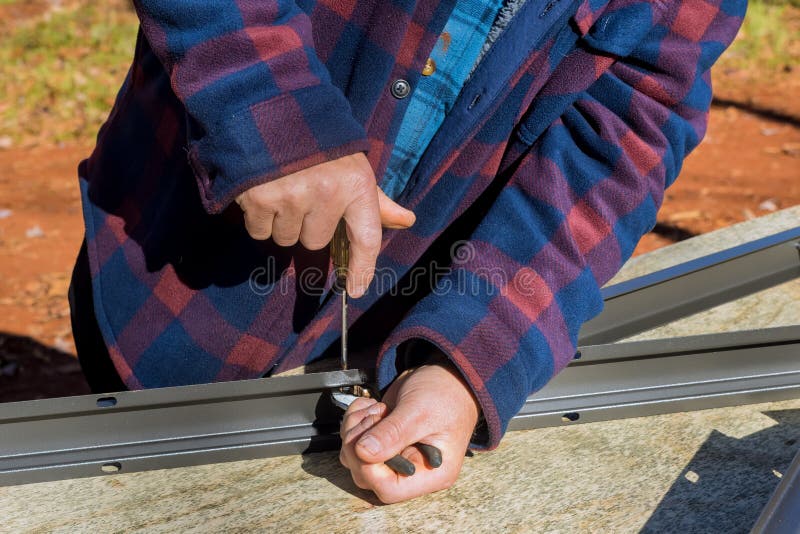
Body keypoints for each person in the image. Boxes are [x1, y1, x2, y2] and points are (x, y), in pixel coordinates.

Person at [70, 0, 745, 503]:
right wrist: (270, 116)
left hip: (390, 327)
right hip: (166, 282)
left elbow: (622, 138)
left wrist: (464, 362)